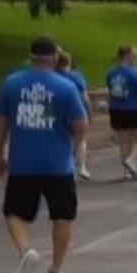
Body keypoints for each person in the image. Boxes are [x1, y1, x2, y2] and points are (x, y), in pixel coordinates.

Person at [0, 36, 88, 273]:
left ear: (31, 56)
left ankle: (25, 249)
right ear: (55, 57)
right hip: (58, 164)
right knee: (63, 216)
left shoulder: (11, 84)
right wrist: (72, 141)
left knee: (13, 212)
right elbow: (81, 125)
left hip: (23, 163)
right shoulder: (66, 87)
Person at [106, 45, 137, 179]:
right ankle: (131, 159)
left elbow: (110, 92)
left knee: (124, 141)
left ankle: (127, 171)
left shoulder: (111, 73)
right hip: (134, 109)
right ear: (126, 56)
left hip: (117, 110)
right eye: (134, 55)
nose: (136, 58)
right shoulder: (136, 73)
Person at [55, 50, 93, 180]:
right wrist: (89, 112)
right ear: (69, 62)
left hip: (58, 112)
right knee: (81, 139)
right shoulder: (76, 77)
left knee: (62, 138)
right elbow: (85, 97)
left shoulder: (53, 76)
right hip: (77, 112)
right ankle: (82, 166)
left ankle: (64, 165)